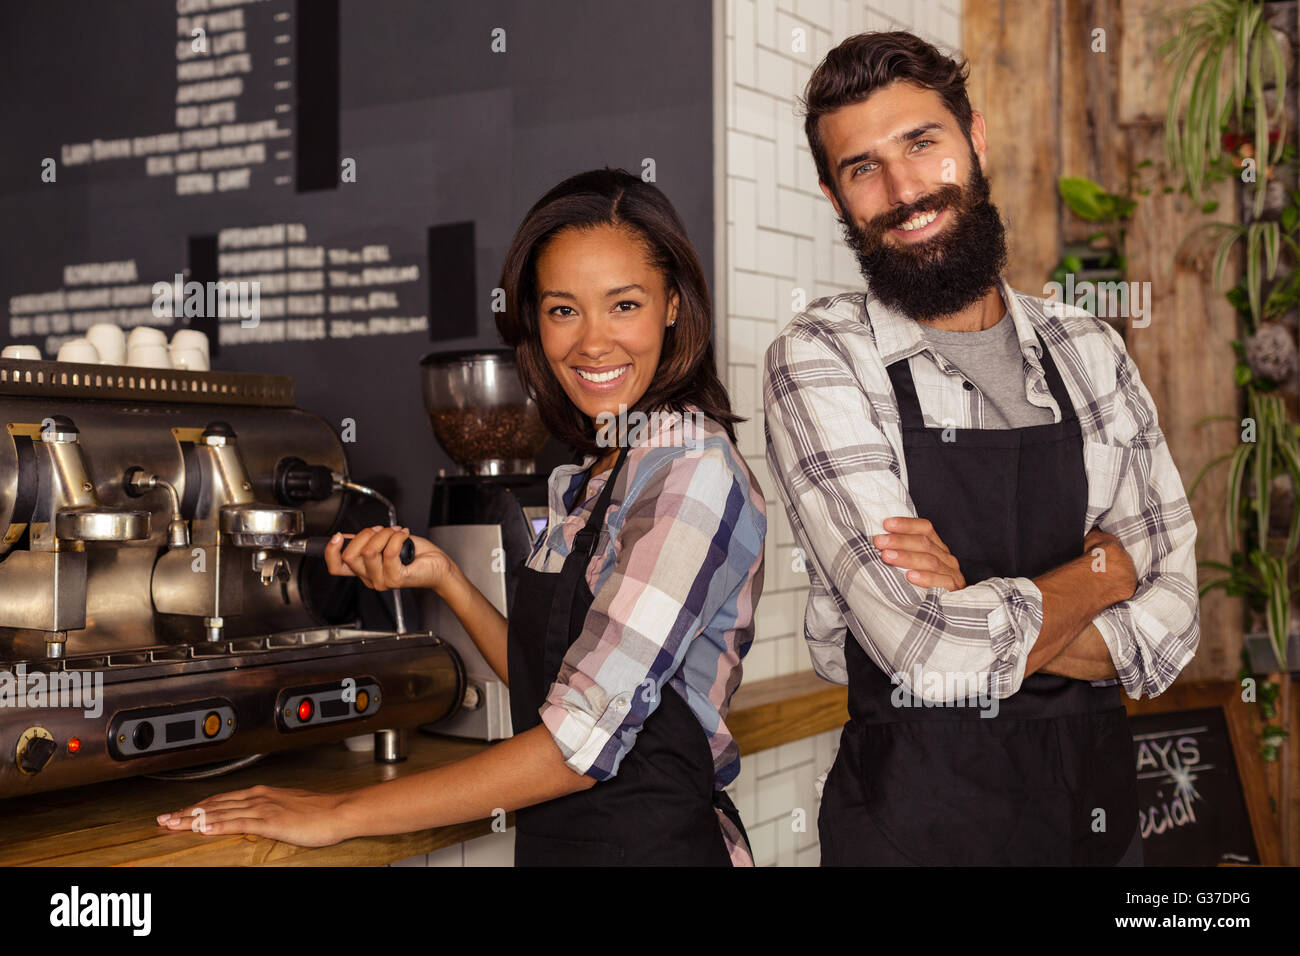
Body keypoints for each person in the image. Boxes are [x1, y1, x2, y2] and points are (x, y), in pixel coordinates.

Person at [157, 168, 767, 867]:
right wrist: (447, 578)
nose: (592, 343)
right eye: (563, 310)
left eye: (623, 305)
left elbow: (578, 744)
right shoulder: (600, 471)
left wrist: (339, 813)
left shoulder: (691, 470)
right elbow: (563, 687)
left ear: (672, 306)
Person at [763, 32, 1199, 866]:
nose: (903, 190)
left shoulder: (1088, 349)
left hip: (1098, 825)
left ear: (976, 139)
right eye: (864, 168)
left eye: (923, 143)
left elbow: (1175, 622)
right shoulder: (820, 357)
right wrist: (1105, 572)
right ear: (834, 197)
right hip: (914, 827)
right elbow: (928, 657)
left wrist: (977, 596)